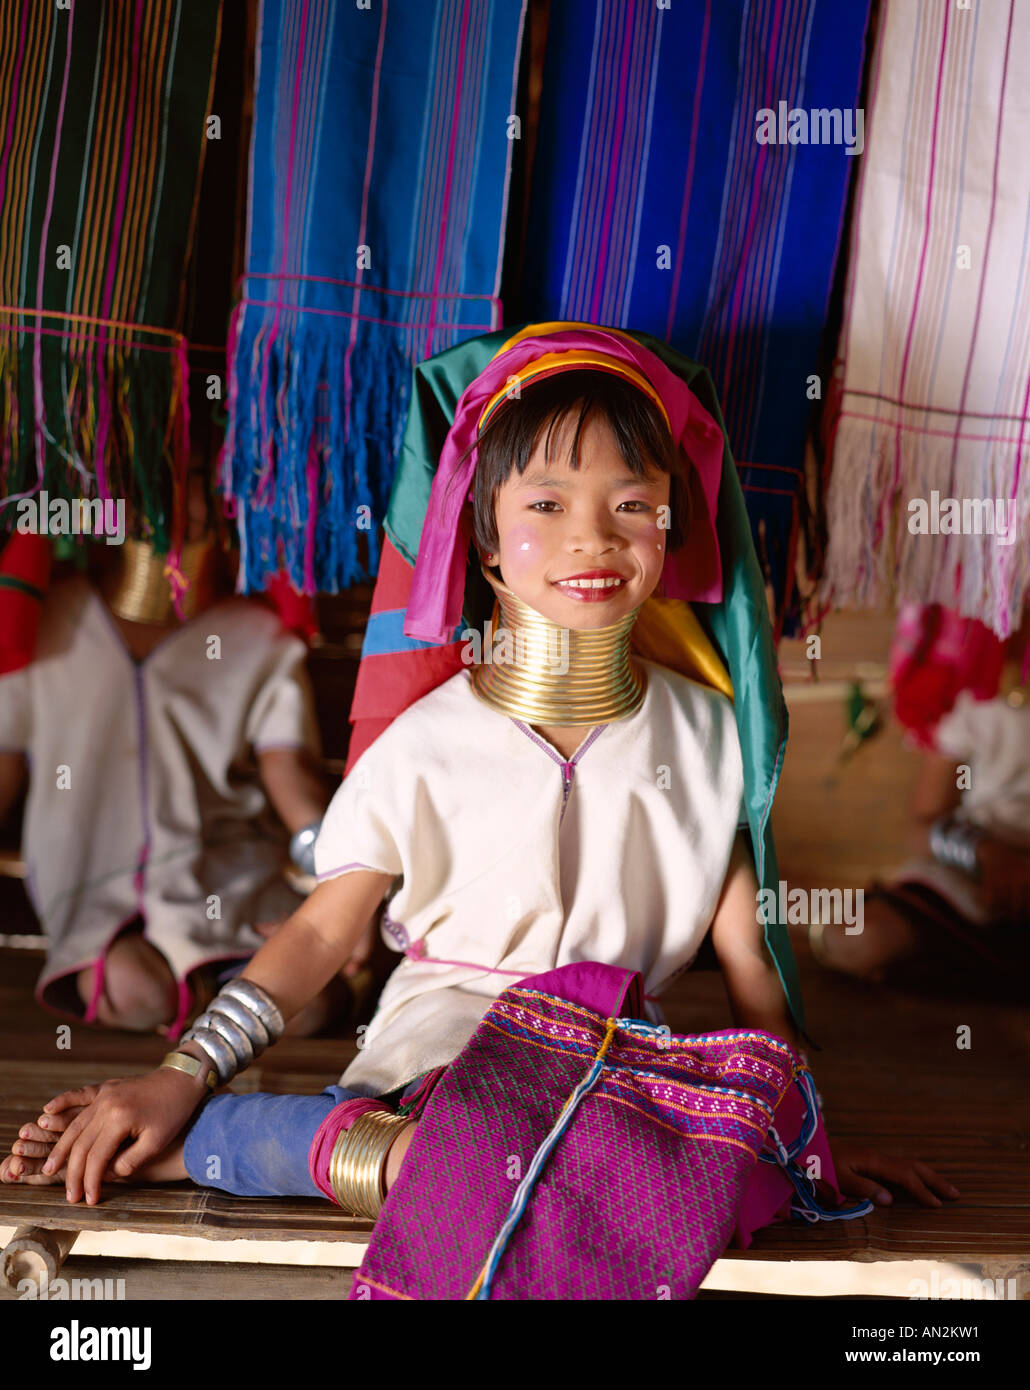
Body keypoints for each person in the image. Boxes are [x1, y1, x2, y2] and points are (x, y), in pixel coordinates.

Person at [1, 327, 958, 1226]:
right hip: (444, 1058)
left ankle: (268, 1150)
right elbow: (322, 930)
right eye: (546, 504)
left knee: (718, 1187)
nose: (594, 536)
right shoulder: (427, 742)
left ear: (673, 527)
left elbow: (751, 972)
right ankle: (227, 1132)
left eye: (632, 503)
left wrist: (805, 1145)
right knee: (490, 1160)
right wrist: (182, 1072)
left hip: (617, 1073)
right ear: (486, 543)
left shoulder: (712, 737)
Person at [0, 463, 368, 1039]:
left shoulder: (258, 638)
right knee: (134, 989)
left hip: (231, 889)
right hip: (97, 907)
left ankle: (212, 997)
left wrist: (342, 890)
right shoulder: (45, 620)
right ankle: (207, 1007)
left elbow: (291, 775)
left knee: (313, 1002)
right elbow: (5, 766)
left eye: (199, 493)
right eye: (158, 478)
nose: (180, 510)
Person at [810, 603, 1030, 991]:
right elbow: (920, 827)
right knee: (857, 937)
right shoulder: (974, 697)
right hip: (975, 876)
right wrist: (987, 854)